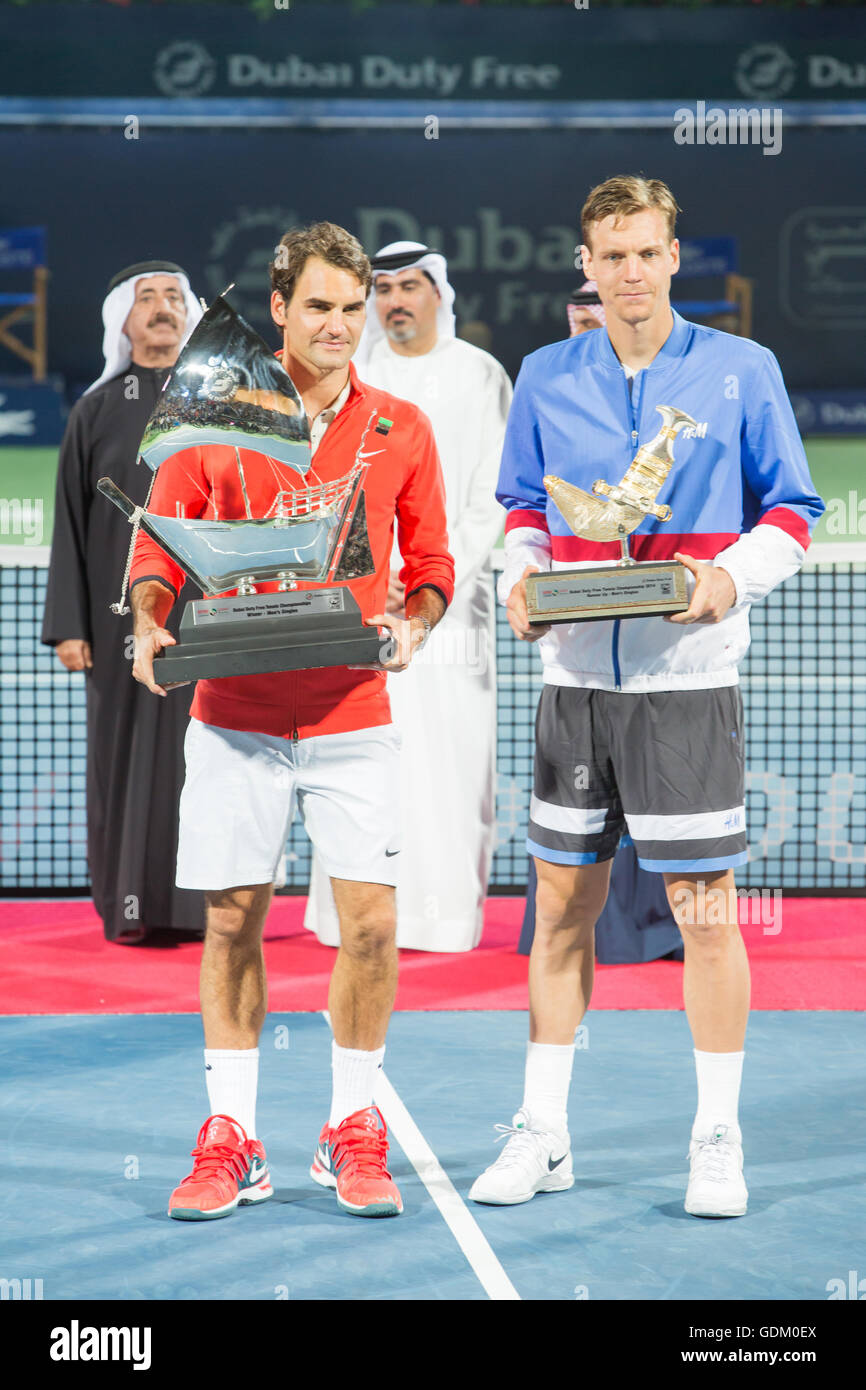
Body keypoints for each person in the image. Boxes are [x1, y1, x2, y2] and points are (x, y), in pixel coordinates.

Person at [472, 175, 823, 1217]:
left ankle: (715, 1138)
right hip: (574, 684)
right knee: (558, 916)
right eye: (607, 254)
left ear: (674, 258)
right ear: (584, 265)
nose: (626, 272)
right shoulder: (543, 374)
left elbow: (793, 511)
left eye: (644, 252)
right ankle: (543, 1131)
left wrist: (725, 578)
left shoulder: (738, 370)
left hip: (686, 687)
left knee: (704, 916)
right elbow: (523, 510)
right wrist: (520, 583)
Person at [128, 222, 454, 1220]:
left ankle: (349, 1126)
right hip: (234, 712)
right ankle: (231, 1134)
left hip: (354, 712)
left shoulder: (401, 426)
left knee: (371, 925)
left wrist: (412, 622)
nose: (339, 327)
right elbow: (159, 551)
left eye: (353, 309)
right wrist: (146, 624)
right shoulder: (212, 420)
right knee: (231, 919)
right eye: (319, 306)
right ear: (278, 308)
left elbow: (432, 569)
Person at [305, 241, 512, 952]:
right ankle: (350, 918)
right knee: (360, 762)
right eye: (383, 289)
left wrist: (428, 579)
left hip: (450, 615)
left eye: (409, 286)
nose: (395, 301)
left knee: (450, 766)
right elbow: (324, 487)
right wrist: (374, 571)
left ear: (438, 295)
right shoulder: (350, 379)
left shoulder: (480, 376)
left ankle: (445, 917)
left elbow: (494, 499)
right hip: (361, 606)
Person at [41, 261, 205, 944]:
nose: (162, 309)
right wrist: (70, 627)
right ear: (124, 320)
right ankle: (129, 907)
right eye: (148, 299)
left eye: (174, 297)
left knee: (199, 761)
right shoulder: (95, 410)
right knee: (121, 758)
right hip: (115, 632)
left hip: (202, 621)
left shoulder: (214, 403)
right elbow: (71, 525)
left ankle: (197, 909)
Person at [519, 277, 681, 963]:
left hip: (666, 656)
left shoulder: (668, 393)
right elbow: (524, 503)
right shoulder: (547, 389)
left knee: (660, 803)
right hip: (577, 652)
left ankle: (650, 929)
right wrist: (523, 576)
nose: (593, 324)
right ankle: (584, 939)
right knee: (577, 818)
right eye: (580, 316)